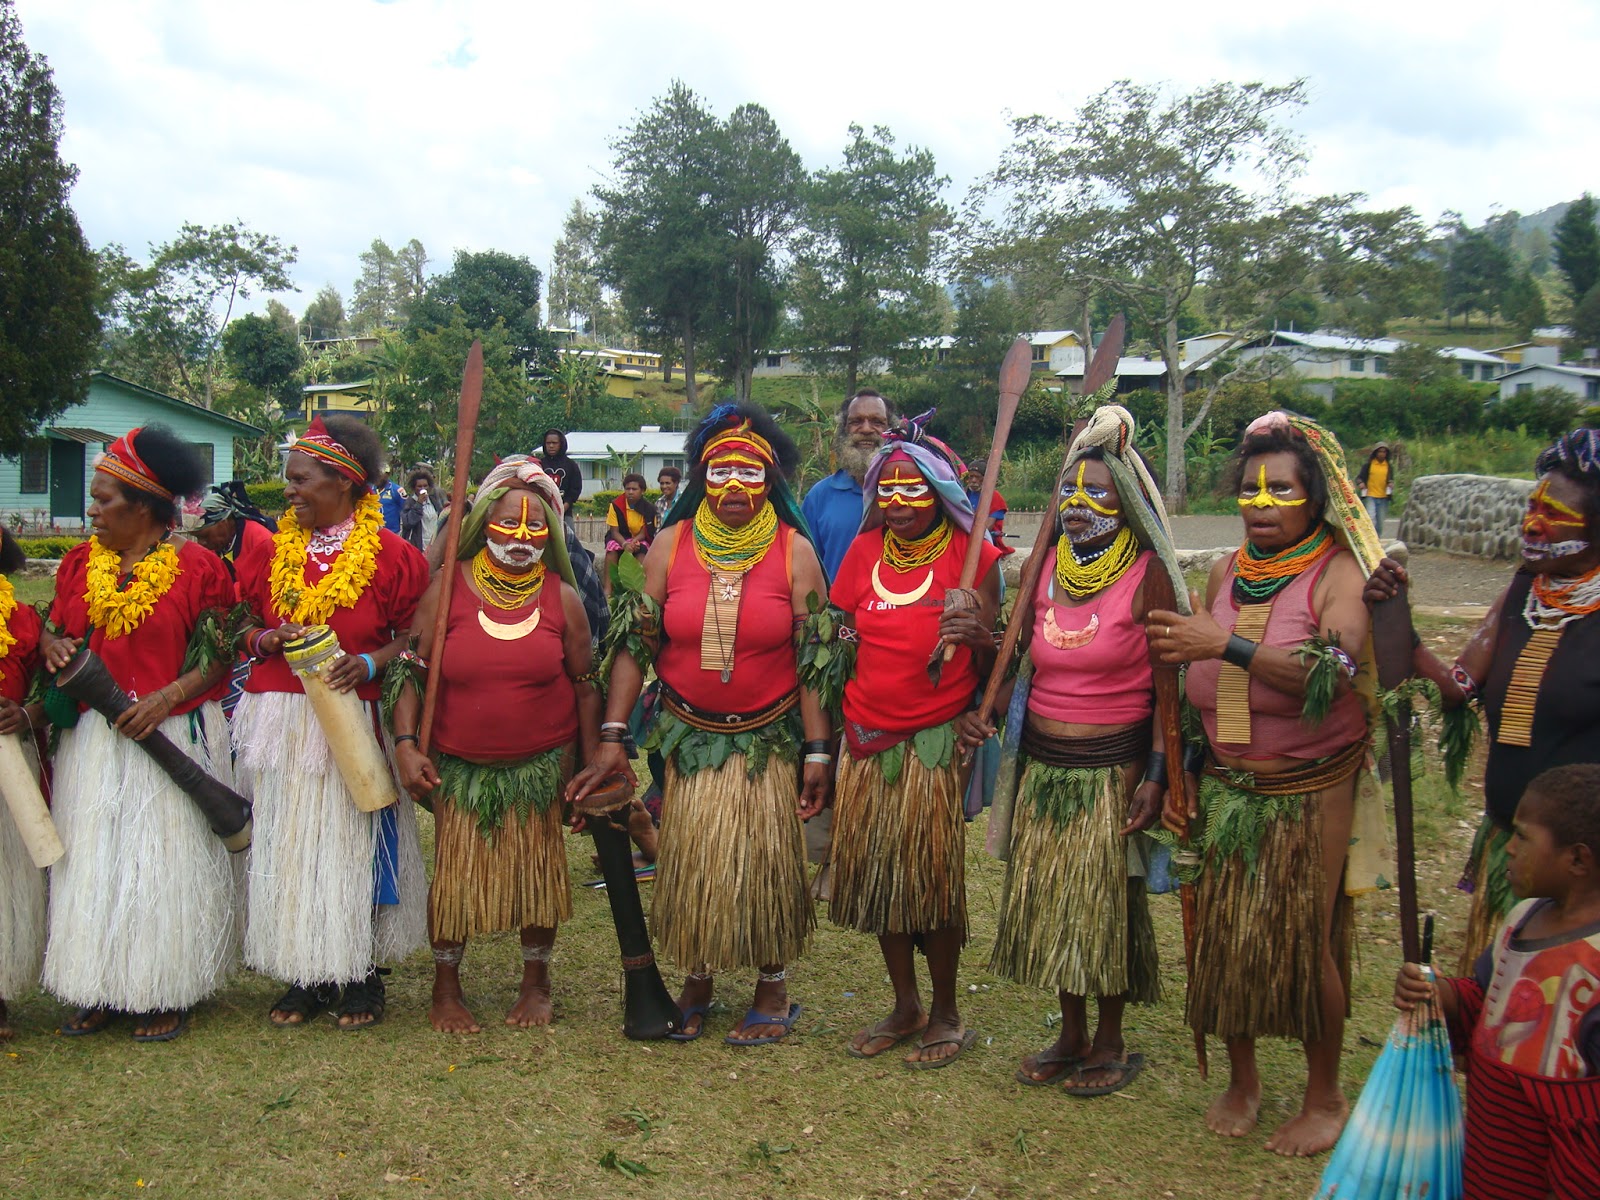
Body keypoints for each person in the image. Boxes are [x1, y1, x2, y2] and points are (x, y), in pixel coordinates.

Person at [1149, 410, 1383, 1156]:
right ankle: (1243, 1080)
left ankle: (1324, 1096)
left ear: (1315, 496)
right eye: (1251, 489)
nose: (1261, 503)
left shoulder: (1340, 573)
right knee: (1225, 938)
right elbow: (1200, 676)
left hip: (1308, 788)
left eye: (1281, 489)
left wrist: (1226, 643)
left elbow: (1332, 676)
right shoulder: (1226, 571)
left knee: (1306, 941)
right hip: (1224, 787)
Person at [568, 403, 831, 1045]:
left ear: (771, 481)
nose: (735, 486)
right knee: (694, 860)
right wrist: (612, 734)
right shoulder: (670, 543)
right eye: (720, 471)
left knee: (765, 860)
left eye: (750, 472)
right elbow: (636, 645)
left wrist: (819, 752)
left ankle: (773, 983)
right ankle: (699, 977)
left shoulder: (795, 551)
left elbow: (815, 660)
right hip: (688, 737)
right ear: (701, 478)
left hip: (767, 738)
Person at [982, 407, 1177, 1093]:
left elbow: (1168, 691)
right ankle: (1069, 1033)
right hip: (1042, 767)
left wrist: (1156, 773)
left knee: (1105, 909)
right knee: (1050, 902)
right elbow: (1013, 656)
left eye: (1099, 495)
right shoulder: (1043, 568)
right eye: (1071, 492)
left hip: (1111, 773)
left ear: (1129, 503)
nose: (1080, 506)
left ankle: (1111, 1040)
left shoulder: (1147, 574)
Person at [1365, 426, 1600, 971]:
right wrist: (1397, 616)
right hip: (1514, 845)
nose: (1532, 525)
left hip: (1587, 868)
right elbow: (1457, 689)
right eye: (1531, 507)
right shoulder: (1523, 592)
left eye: (1554, 516)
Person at [38, 427, 239, 1042]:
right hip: (96, 741)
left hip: (171, 733)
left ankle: (162, 986)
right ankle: (97, 982)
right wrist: (51, 643)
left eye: (103, 499)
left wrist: (166, 697)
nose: (92, 511)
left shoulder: (198, 568)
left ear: (146, 507)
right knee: (96, 860)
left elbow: (220, 658)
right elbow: (52, 626)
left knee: (162, 862)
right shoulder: (79, 566)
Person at [231, 415, 430, 1030]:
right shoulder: (268, 551)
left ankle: (362, 973)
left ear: (344, 481)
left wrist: (371, 659)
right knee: (294, 845)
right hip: (283, 718)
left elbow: (417, 640)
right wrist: (267, 638)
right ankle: (307, 973)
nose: (288, 490)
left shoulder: (394, 555)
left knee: (356, 842)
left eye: (300, 479)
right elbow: (238, 629)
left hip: (356, 716)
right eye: (288, 480)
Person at [393, 458, 599, 1033]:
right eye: (508, 524)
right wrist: (407, 744)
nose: (521, 537)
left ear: (553, 534)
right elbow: (408, 673)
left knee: (536, 878)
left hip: (541, 764)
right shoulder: (445, 590)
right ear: (484, 523)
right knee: (455, 880)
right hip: (459, 765)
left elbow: (586, 687)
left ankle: (536, 984)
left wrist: (590, 767)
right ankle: (445, 988)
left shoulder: (565, 598)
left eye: (537, 528)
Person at [829, 433, 1001, 1068]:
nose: (899, 500)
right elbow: (843, 636)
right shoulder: (865, 549)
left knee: (930, 884)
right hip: (866, 741)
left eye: (914, 487)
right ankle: (905, 1004)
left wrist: (979, 638)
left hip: (933, 744)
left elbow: (1002, 656)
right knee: (881, 879)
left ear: (941, 493)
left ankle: (948, 1011)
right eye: (889, 488)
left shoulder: (973, 555)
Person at [1394, 763, 1600, 1200]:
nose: (1507, 848)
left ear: (1578, 859)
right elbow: (1489, 1002)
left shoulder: (1593, 973)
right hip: (1488, 1171)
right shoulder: (1521, 921)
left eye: (1522, 837)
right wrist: (1440, 994)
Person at [0, 527, 45, 1040]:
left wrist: (29, 713)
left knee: (6, 872)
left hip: (10, 755)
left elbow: (46, 687)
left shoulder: (21, 617)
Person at [802, 390, 896, 579]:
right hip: (834, 607)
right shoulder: (820, 496)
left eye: (877, 422)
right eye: (856, 421)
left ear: (892, 430)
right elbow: (805, 569)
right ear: (844, 429)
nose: (867, 429)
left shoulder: (913, 493)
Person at [191, 482, 275, 581]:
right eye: (197, 538)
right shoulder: (219, 547)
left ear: (224, 520)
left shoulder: (261, 541)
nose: (201, 543)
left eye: (205, 536)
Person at [602, 473, 657, 594]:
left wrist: (633, 542)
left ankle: (638, 592)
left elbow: (645, 531)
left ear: (642, 491)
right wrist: (625, 544)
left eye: (634, 489)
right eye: (628, 489)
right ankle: (607, 589)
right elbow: (614, 531)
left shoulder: (649, 509)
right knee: (611, 551)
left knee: (642, 554)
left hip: (639, 538)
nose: (630, 492)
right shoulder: (615, 505)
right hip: (619, 538)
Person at [961, 460, 1013, 556]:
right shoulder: (964, 494)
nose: (973, 480)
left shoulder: (995, 497)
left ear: (985, 478)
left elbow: (988, 526)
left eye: (977, 477)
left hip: (987, 539)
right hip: (965, 537)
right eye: (971, 477)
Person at [538, 429, 585, 514]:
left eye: (554, 443)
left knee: (569, 528)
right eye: (548, 443)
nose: (551, 446)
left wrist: (562, 509)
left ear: (561, 444)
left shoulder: (571, 465)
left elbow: (575, 490)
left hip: (565, 512)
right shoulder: (539, 464)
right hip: (541, 512)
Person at [400, 464, 442, 552]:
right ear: (414, 488)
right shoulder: (410, 502)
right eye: (419, 486)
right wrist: (419, 503)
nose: (423, 488)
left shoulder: (434, 502)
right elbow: (408, 522)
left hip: (432, 547)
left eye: (425, 486)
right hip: (417, 547)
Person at [1356, 443, 1393, 531]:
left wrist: (1391, 484)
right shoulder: (1368, 465)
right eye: (1380, 451)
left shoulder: (1388, 467)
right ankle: (1370, 541)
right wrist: (1361, 483)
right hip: (1370, 496)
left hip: (1383, 497)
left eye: (1384, 452)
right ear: (1375, 453)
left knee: (1380, 523)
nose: (1382, 454)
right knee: (1370, 519)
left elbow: (1390, 480)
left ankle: (1377, 540)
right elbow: (1359, 478)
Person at [376, 470, 405, 534]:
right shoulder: (371, 489)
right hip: (373, 533)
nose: (378, 477)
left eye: (381, 474)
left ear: (387, 475)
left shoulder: (397, 490)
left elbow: (406, 510)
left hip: (392, 533)